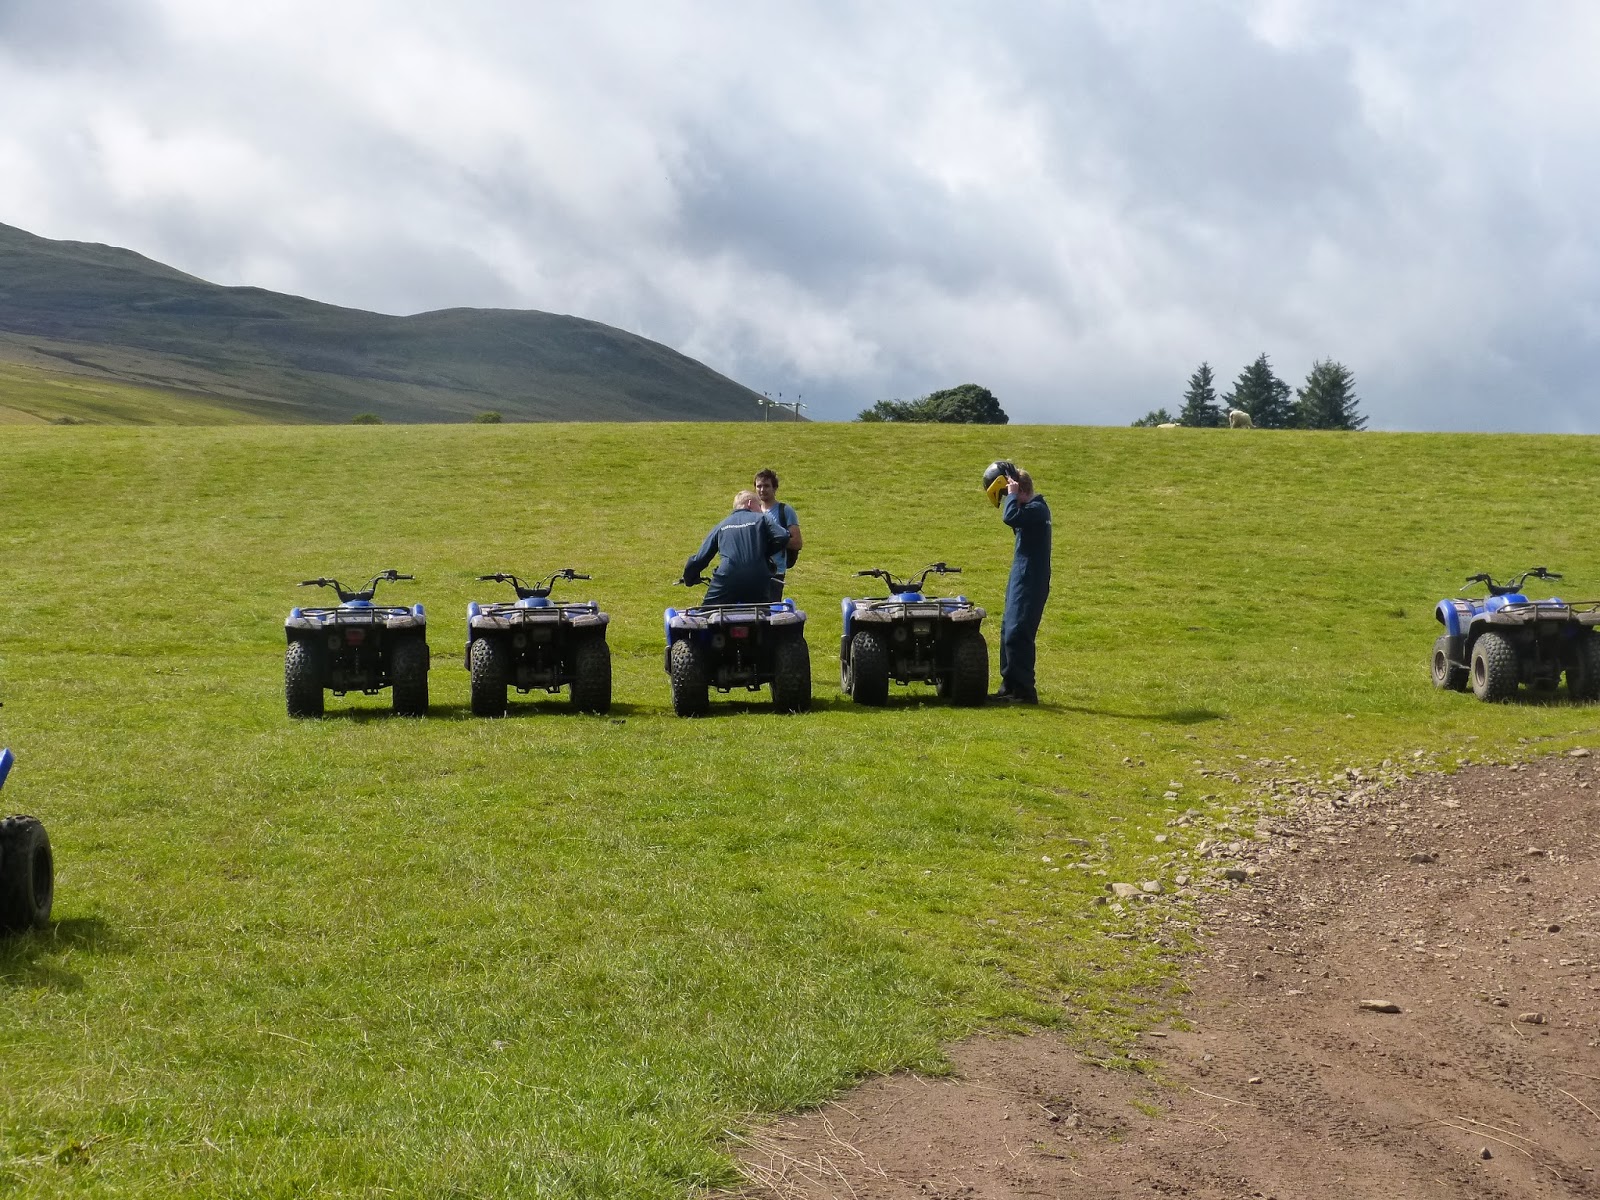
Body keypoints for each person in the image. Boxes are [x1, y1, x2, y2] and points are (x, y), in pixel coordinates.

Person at [995, 468, 1051, 703]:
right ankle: (1008, 686)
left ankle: (1025, 691)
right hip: (1020, 576)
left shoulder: (1037, 509)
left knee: (1019, 632)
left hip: (1031, 579)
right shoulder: (1029, 510)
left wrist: (1012, 494)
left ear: (1021, 490)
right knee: (1008, 629)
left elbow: (1010, 518)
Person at [683, 490, 791, 606]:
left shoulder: (722, 525)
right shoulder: (762, 519)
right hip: (758, 577)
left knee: (708, 614)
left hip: (727, 578)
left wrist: (689, 578)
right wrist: (764, 552)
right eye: (759, 506)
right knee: (762, 615)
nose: (761, 510)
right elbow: (783, 535)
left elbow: (700, 558)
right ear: (750, 503)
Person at [753, 468, 802, 601]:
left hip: (775, 572)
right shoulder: (752, 511)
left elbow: (797, 543)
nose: (762, 490)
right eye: (759, 486)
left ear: (775, 488)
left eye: (766, 486)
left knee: (770, 614)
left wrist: (775, 540)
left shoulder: (785, 511)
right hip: (753, 572)